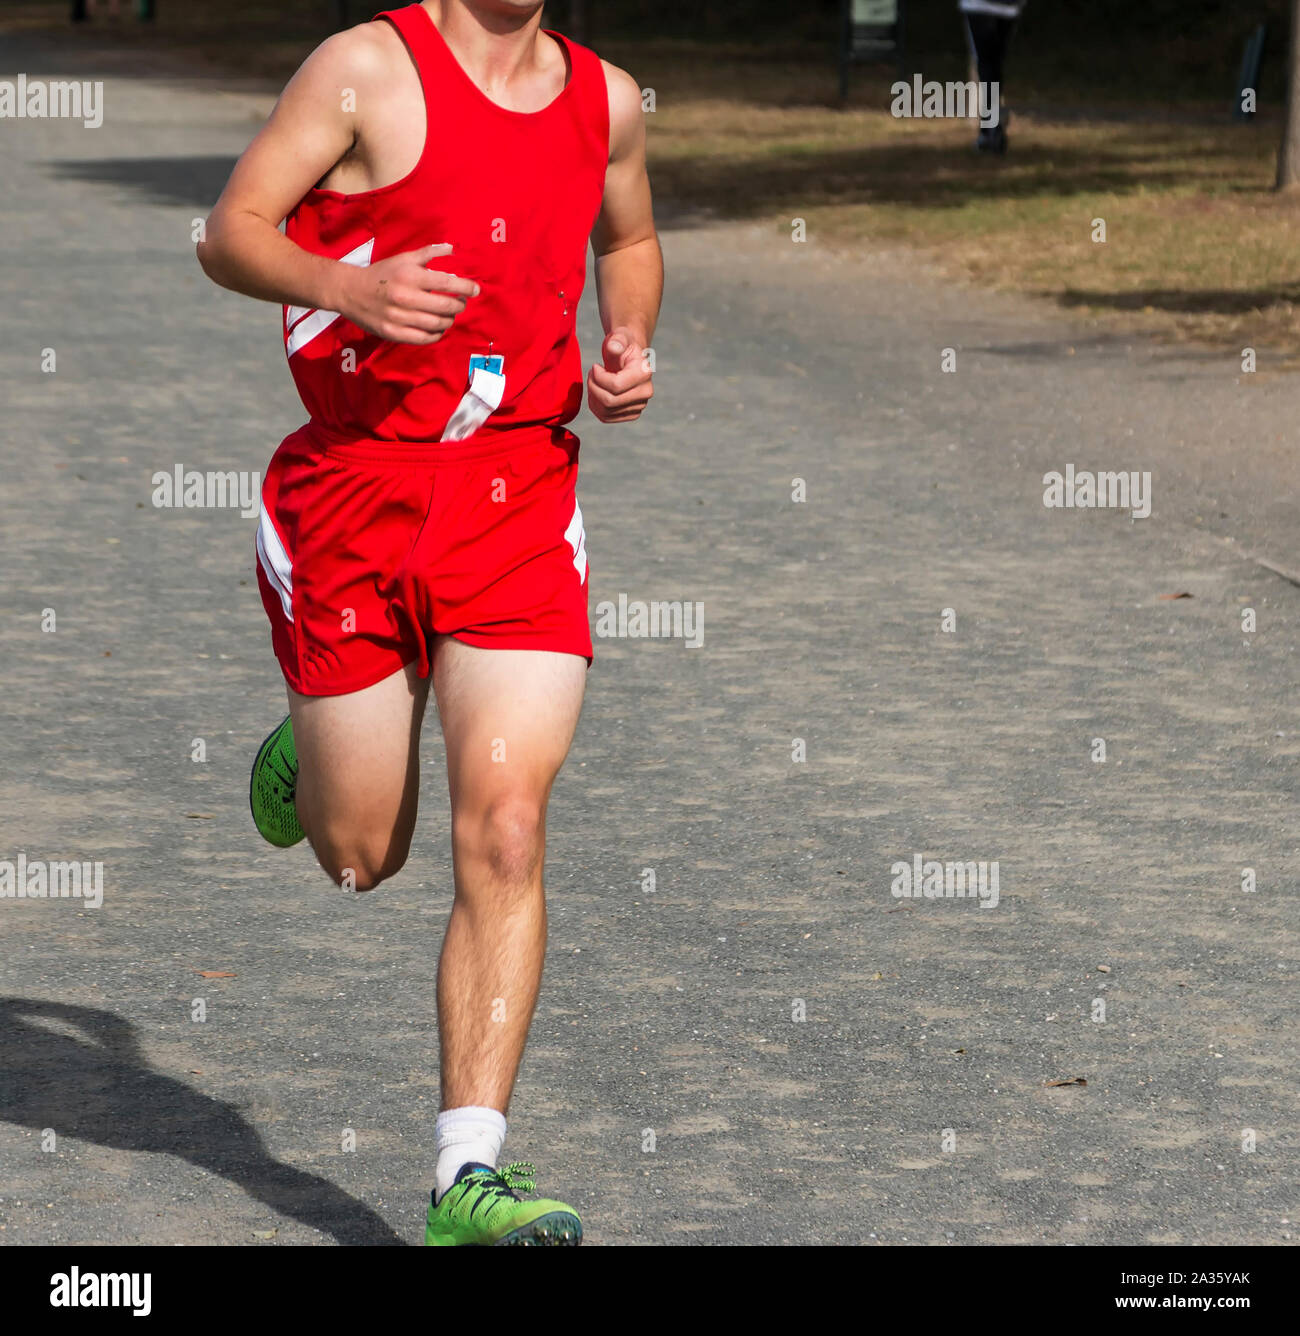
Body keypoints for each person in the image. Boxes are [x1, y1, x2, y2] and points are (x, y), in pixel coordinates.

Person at [197, 0, 662, 1246]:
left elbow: (632, 236)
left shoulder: (604, 98)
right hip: (354, 491)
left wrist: (628, 340)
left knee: (507, 827)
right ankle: (323, 736)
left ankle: (469, 1176)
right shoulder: (360, 69)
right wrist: (347, 283)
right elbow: (228, 234)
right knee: (361, 853)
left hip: (517, 493)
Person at [960, 0, 1025, 153]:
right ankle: (990, 126)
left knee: (986, 64)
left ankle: (991, 127)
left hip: (978, 6)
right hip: (1009, 6)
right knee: (995, 64)